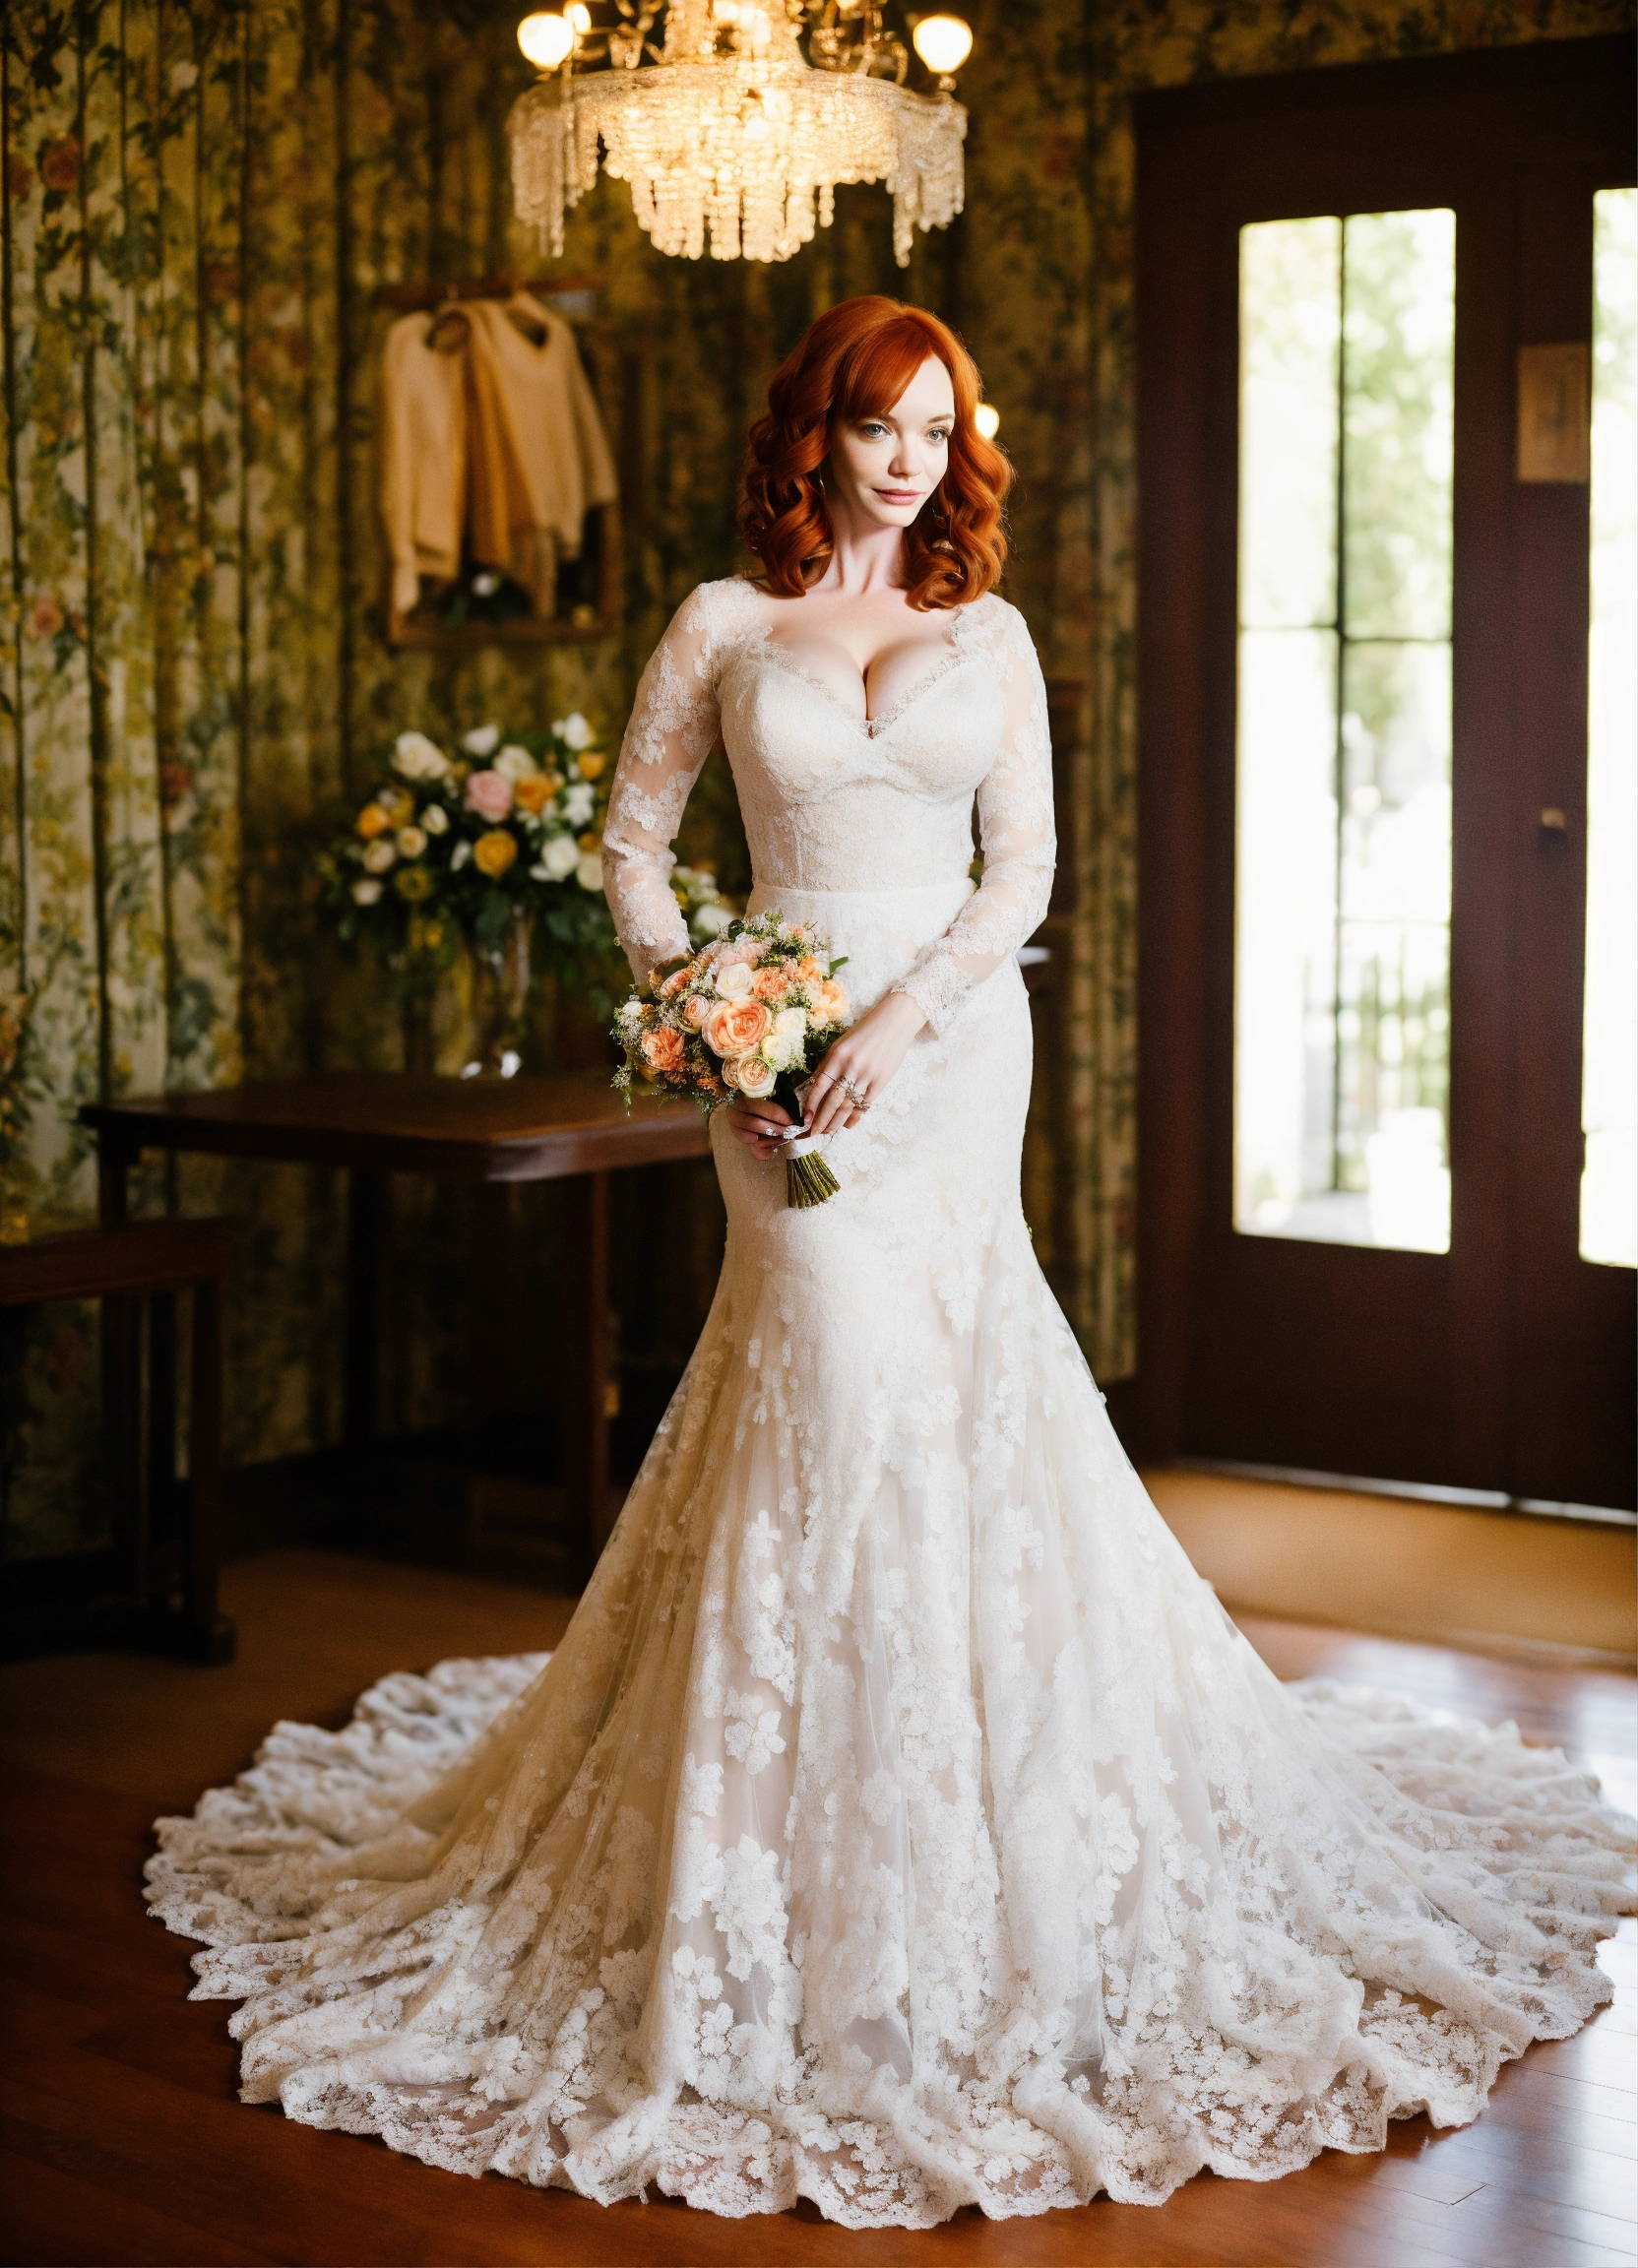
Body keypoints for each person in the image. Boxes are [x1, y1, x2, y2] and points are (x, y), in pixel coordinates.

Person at [148, 296, 1634, 2230]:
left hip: (936, 1058)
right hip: (767, 1072)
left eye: (939, 426)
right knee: (823, 1388)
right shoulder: (718, 625)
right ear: (817, 433)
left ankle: (987, 1849)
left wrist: (899, 1023)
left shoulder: (986, 636)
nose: (913, 456)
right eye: (880, 424)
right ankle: (776, 1878)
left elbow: (1016, 874)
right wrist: (716, 1018)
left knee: (956, 1392)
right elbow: (628, 849)